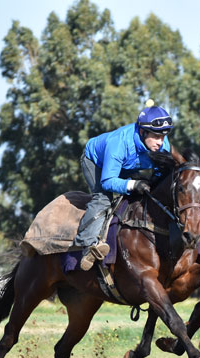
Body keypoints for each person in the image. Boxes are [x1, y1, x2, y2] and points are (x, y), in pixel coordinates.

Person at [74, 102, 173, 270]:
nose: (160, 142)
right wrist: (134, 184)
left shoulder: (162, 146)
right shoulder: (119, 142)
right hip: (96, 162)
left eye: (163, 136)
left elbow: (159, 176)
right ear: (142, 132)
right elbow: (107, 181)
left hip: (127, 166)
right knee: (103, 199)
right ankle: (88, 246)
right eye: (156, 136)